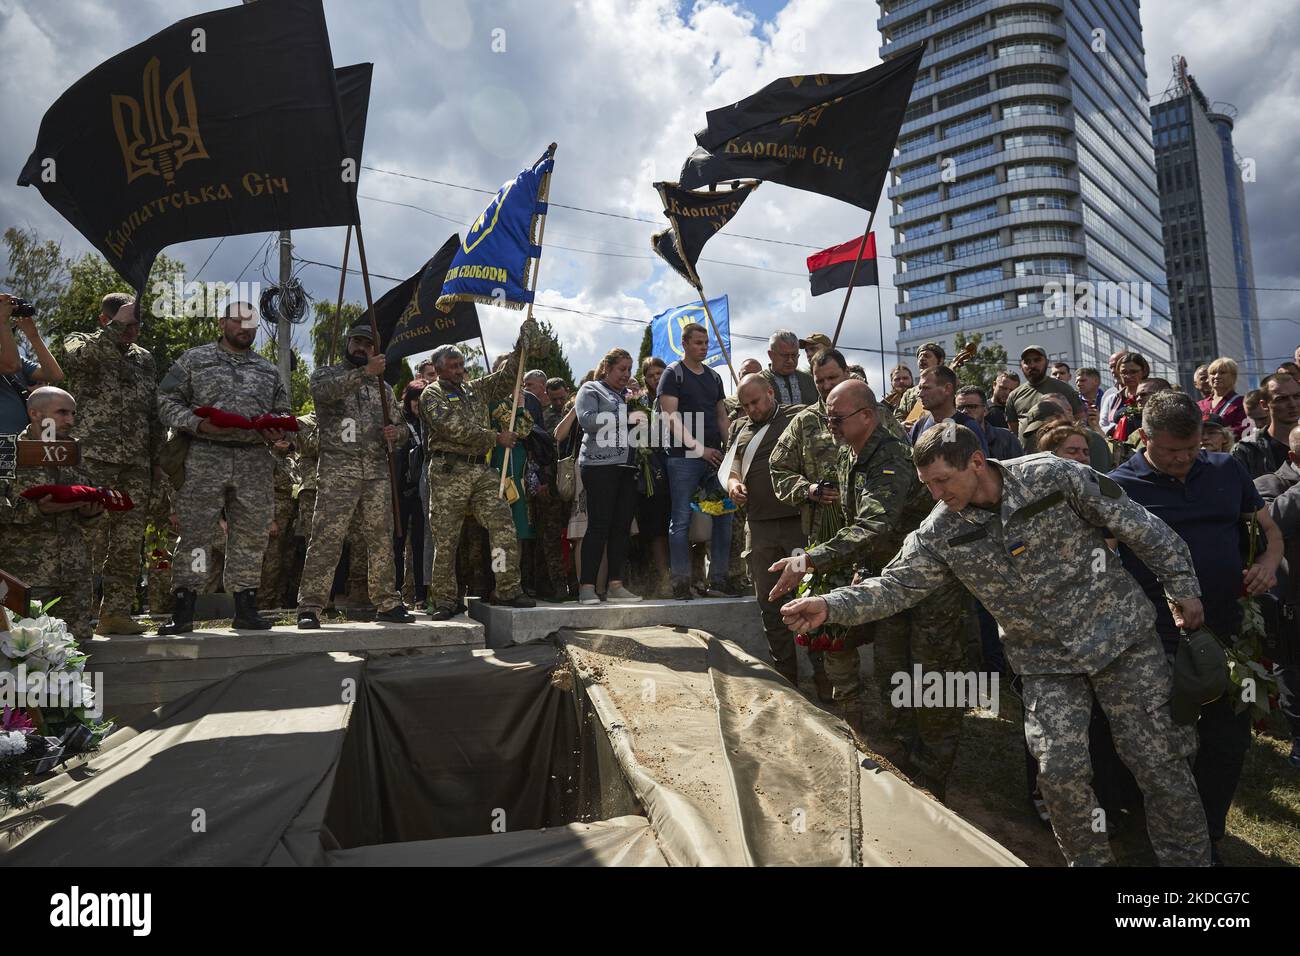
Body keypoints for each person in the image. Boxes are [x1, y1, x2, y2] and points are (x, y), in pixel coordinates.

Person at [781, 423, 1212, 866]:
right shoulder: (941, 530)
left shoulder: (1053, 476)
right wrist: (830, 606)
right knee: (1059, 775)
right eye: (927, 484)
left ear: (976, 462)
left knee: (1161, 764)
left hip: (1121, 641)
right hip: (1045, 662)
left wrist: (1181, 584)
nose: (936, 494)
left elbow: (1139, 525)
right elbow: (896, 585)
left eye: (943, 480)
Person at [1109, 390, 1281, 863]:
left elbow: (1270, 531)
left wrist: (1269, 561)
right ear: (1144, 438)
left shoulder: (1226, 469)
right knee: (1164, 748)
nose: (1183, 460)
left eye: (1190, 449)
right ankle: (1160, 832)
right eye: (1170, 451)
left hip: (1228, 635)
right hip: (1153, 640)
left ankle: (1209, 833)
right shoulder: (1118, 487)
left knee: (1229, 742)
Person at [156, 301, 290, 633]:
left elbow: (282, 410)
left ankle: (245, 607)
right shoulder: (194, 360)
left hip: (254, 460)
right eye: (237, 320)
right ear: (221, 323)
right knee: (196, 533)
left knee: (251, 535)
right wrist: (196, 424)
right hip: (204, 454)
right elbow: (164, 400)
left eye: (251, 322)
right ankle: (185, 608)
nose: (245, 327)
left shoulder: (267, 370)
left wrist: (278, 430)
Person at [419, 320, 543, 619]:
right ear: (437, 369)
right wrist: (494, 438)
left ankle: (508, 588)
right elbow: (451, 428)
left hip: (481, 472)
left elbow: (506, 377)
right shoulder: (430, 395)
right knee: (447, 539)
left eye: (462, 364)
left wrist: (520, 346)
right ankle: (446, 600)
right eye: (453, 366)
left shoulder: (475, 390)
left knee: (502, 525)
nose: (460, 370)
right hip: (449, 471)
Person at [296, 324, 413, 629]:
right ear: (348, 343)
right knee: (327, 538)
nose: (362, 348)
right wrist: (365, 373)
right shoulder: (327, 374)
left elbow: (403, 431)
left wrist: (394, 433)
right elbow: (324, 393)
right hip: (338, 470)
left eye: (369, 344)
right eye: (357, 342)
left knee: (380, 539)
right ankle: (311, 606)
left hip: (375, 472)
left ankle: (387, 602)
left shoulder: (384, 390)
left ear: (376, 349)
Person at [61, 294, 161, 635]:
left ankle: (115, 613)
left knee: (128, 542)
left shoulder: (145, 359)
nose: (133, 330)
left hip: (134, 462)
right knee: (85, 538)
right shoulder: (81, 341)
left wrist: (155, 460)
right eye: (127, 323)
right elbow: (78, 361)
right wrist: (116, 326)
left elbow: (152, 412)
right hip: (92, 458)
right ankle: (76, 617)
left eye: (136, 324)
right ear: (107, 319)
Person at [0, 387, 103, 640]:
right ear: (34, 413)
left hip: (74, 576)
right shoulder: (7, 452)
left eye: (72, 413)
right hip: (27, 576)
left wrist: (91, 514)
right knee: (26, 654)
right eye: (62, 413)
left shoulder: (76, 453)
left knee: (79, 652)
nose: (70, 420)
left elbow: (88, 509)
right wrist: (37, 510)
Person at [724, 374, 803, 682]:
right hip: (759, 527)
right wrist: (733, 486)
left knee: (808, 595)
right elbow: (731, 468)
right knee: (770, 603)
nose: (751, 410)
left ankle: (826, 679)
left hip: (797, 524)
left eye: (755, 402)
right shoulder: (739, 428)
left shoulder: (798, 417)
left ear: (771, 393)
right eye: (744, 405)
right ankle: (787, 678)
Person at [658, 322, 735, 600]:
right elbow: (670, 417)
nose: (704, 347)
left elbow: (721, 416)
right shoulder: (673, 373)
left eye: (706, 343)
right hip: (684, 458)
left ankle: (719, 579)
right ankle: (680, 582)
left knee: (724, 516)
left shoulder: (714, 377)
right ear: (685, 344)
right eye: (698, 342)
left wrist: (730, 449)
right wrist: (698, 448)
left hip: (715, 458)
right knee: (681, 519)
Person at [573, 348, 642, 604]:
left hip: (627, 466)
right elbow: (588, 421)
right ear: (607, 368)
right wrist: (625, 415)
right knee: (599, 525)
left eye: (629, 369)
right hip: (599, 466)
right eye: (621, 369)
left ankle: (615, 585)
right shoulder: (591, 389)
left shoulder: (629, 395)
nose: (626, 374)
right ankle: (587, 588)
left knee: (621, 527)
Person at [0, 294, 64, 435]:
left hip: (19, 446)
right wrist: (3, 321)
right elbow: (11, 366)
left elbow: (54, 374)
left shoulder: (16, 358)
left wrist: (33, 336)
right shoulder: (12, 360)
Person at [1233, 372, 1300, 479]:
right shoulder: (1247, 450)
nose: (1292, 404)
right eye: (1282, 399)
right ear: (1264, 405)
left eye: (1297, 396)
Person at [908, 365, 988, 455]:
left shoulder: (969, 427)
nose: (920, 394)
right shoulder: (919, 426)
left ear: (947, 389)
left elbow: (981, 466)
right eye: (920, 388)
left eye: (926, 388)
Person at [1005, 345, 1082, 435]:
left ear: (1047, 362)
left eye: (1037, 360)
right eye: (1027, 361)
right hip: (1027, 449)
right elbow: (1014, 431)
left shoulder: (1065, 389)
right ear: (1021, 366)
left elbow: (1080, 422)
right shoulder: (1013, 396)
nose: (1032, 365)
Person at [955, 385, 1021, 460]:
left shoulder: (1006, 438)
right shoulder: (949, 440)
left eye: (972, 406)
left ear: (985, 410)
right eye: (959, 408)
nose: (964, 411)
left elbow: (1018, 469)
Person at [760, 330, 817, 406]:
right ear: (771, 355)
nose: (790, 361)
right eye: (784, 355)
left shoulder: (811, 382)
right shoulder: (756, 383)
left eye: (794, 355)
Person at [893, 343, 944, 423]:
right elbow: (898, 419)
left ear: (940, 361)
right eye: (920, 357)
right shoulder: (909, 394)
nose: (922, 359)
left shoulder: (948, 388)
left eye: (927, 356)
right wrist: (903, 425)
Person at [1198, 357, 1247, 439]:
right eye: (1213, 373)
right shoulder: (1200, 405)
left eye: (1222, 373)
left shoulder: (1242, 402)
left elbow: (1243, 429)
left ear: (1233, 376)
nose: (1216, 376)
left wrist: (1219, 435)